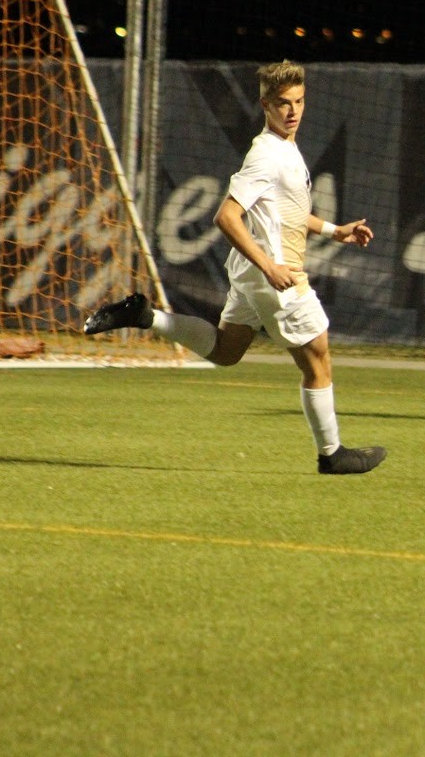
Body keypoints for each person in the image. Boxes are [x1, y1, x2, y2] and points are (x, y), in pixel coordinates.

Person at [84, 60, 386, 474]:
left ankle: (145, 315)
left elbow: (286, 214)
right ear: (265, 104)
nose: (293, 111)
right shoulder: (265, 154)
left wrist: (335, 230)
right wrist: (268, 265)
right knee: (318, 358)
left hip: (251, 274)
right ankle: (332, 454)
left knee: (226, 351)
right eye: (283, 103)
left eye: (299, 101)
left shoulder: (285, 149)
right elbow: (227, 217)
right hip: (273, 273)